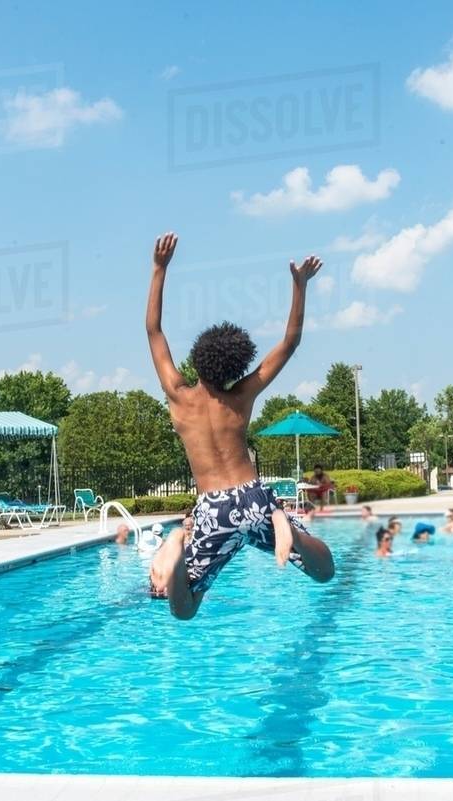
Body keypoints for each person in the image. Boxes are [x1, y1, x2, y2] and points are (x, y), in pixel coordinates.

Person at [144, 232, 335, 619]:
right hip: (255, 497)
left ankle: (178, 544)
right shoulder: (241, 396)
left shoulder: (179, 395)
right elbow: (289, 344)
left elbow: (154, 331)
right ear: (236, 366)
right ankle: (292, 531)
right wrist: (300, 287)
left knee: (184, 609)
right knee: (325, 572)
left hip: (213, 508)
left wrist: (159, 269)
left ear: (198, 361)